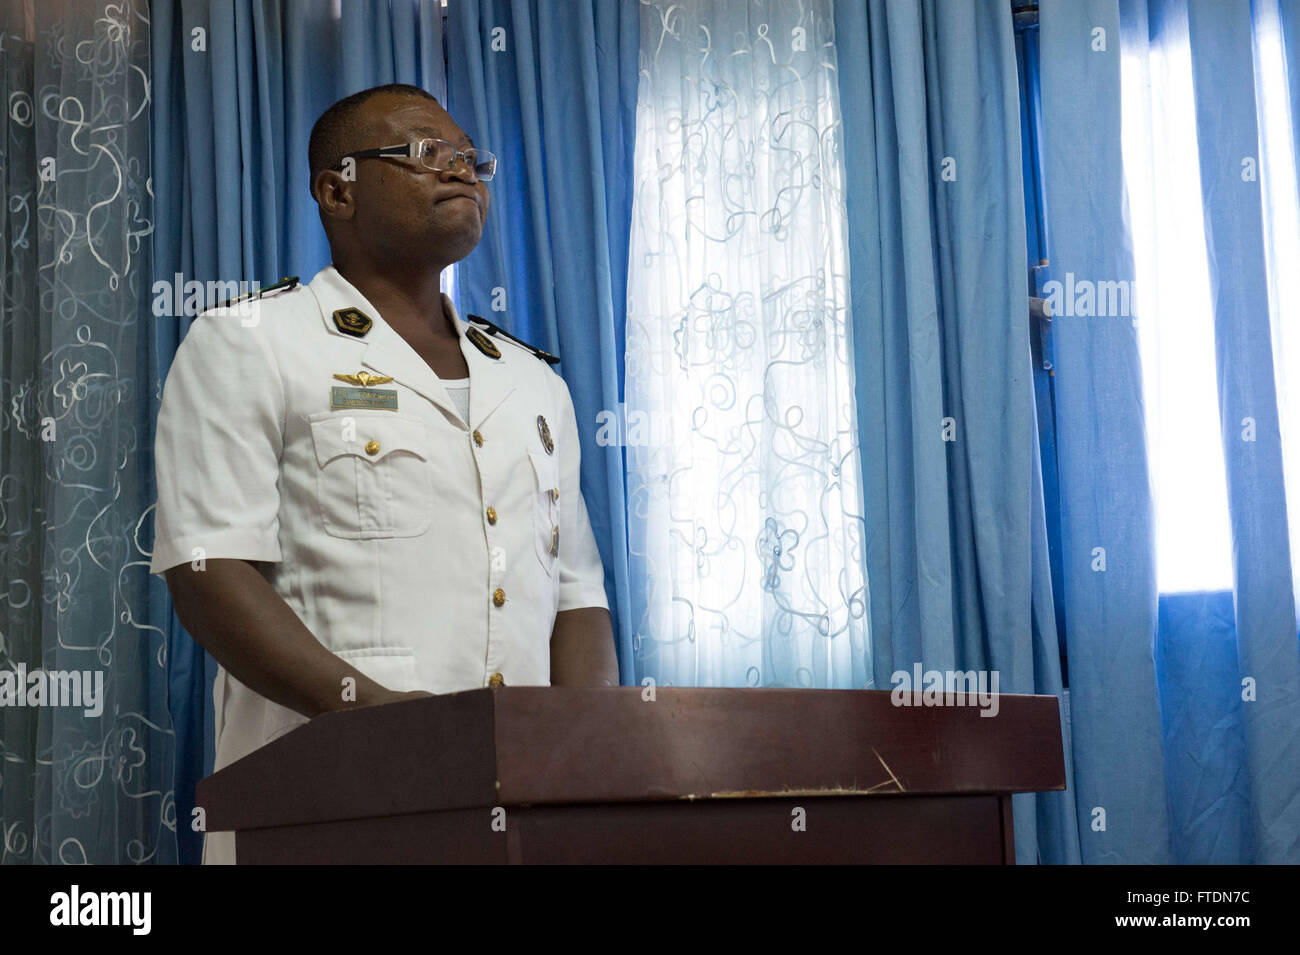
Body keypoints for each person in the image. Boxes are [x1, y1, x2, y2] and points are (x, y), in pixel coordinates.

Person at [150, 83, 618, 865]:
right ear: (338, 190)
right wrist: (383, 719)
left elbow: (577, 594)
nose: (461, 171)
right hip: (324, 804)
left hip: (522, 813)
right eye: (425, 152)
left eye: (471, 158)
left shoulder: (534, 382)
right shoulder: (251, 342)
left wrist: (584, 750)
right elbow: (210, 571)